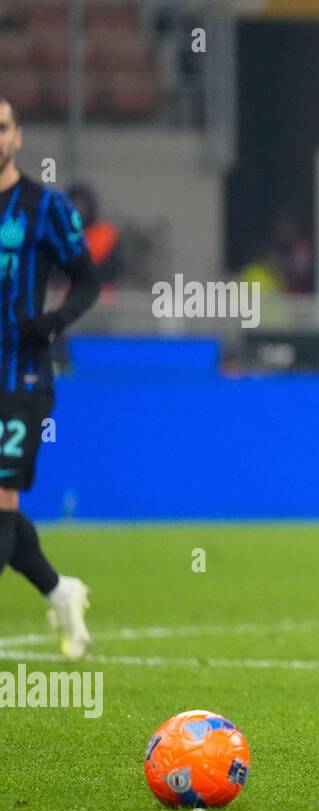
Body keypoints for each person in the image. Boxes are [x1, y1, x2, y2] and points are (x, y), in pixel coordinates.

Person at [0, 97, 101, 659]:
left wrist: (55, 320)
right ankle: (60, 591)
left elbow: (86, 278)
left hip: (19, 380)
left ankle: (61, 592)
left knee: (1, 498)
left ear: (17, 137)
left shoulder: (42, 207)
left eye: (1, 128)